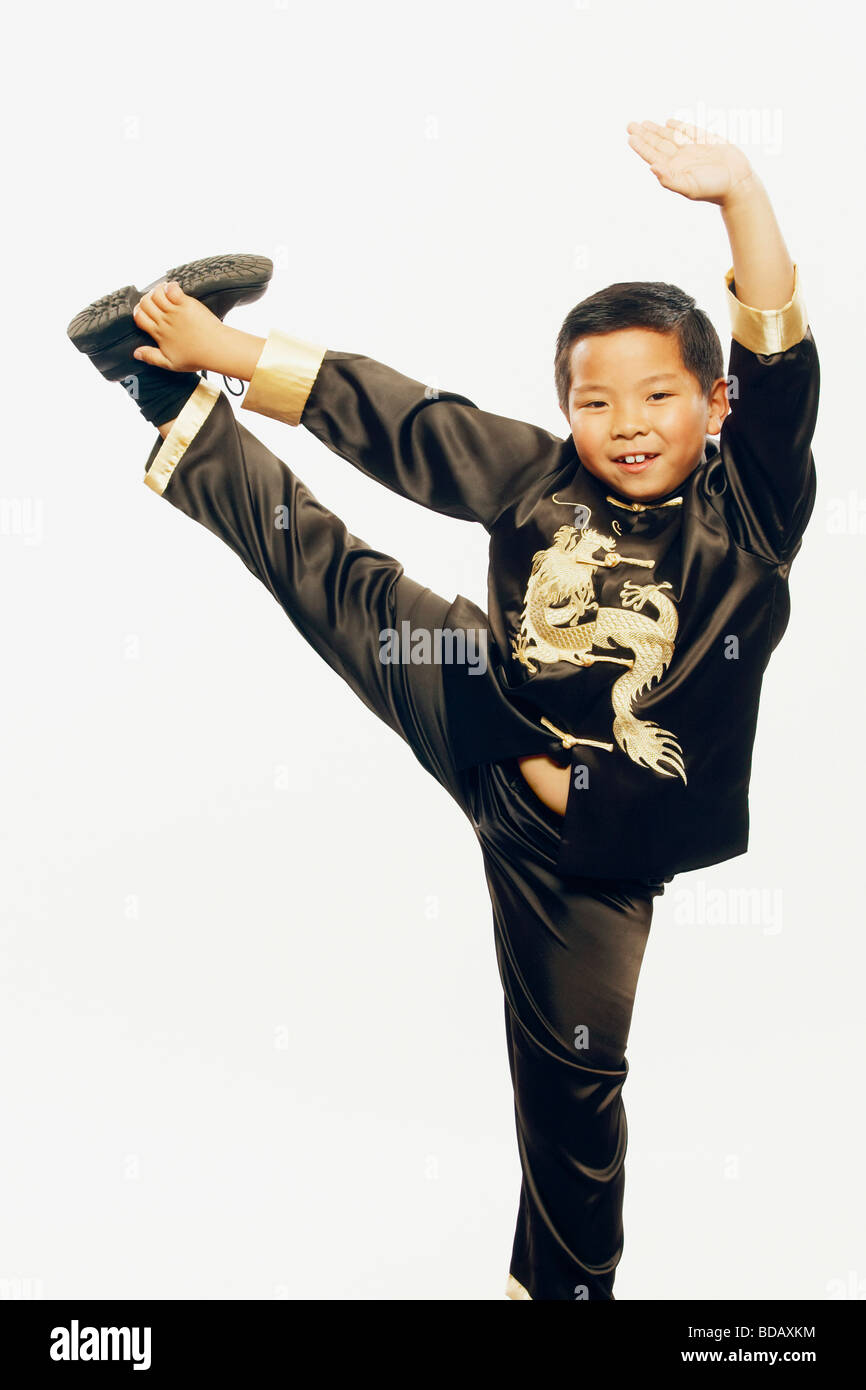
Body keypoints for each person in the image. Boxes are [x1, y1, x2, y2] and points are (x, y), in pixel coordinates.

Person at [66, 117, 819, 1300]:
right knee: (340, 582)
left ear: (714, 403)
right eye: (594, 402)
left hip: (580, 844)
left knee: (571, 1078)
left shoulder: (752, 514)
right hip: (477, 700)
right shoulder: (534, 475)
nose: (625, 424)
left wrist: (738, 194)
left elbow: (778, 358)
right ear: (563, 408)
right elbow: (401, 422)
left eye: (658, 395)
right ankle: (167, 389)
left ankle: (560, 1290)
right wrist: (229, 345)